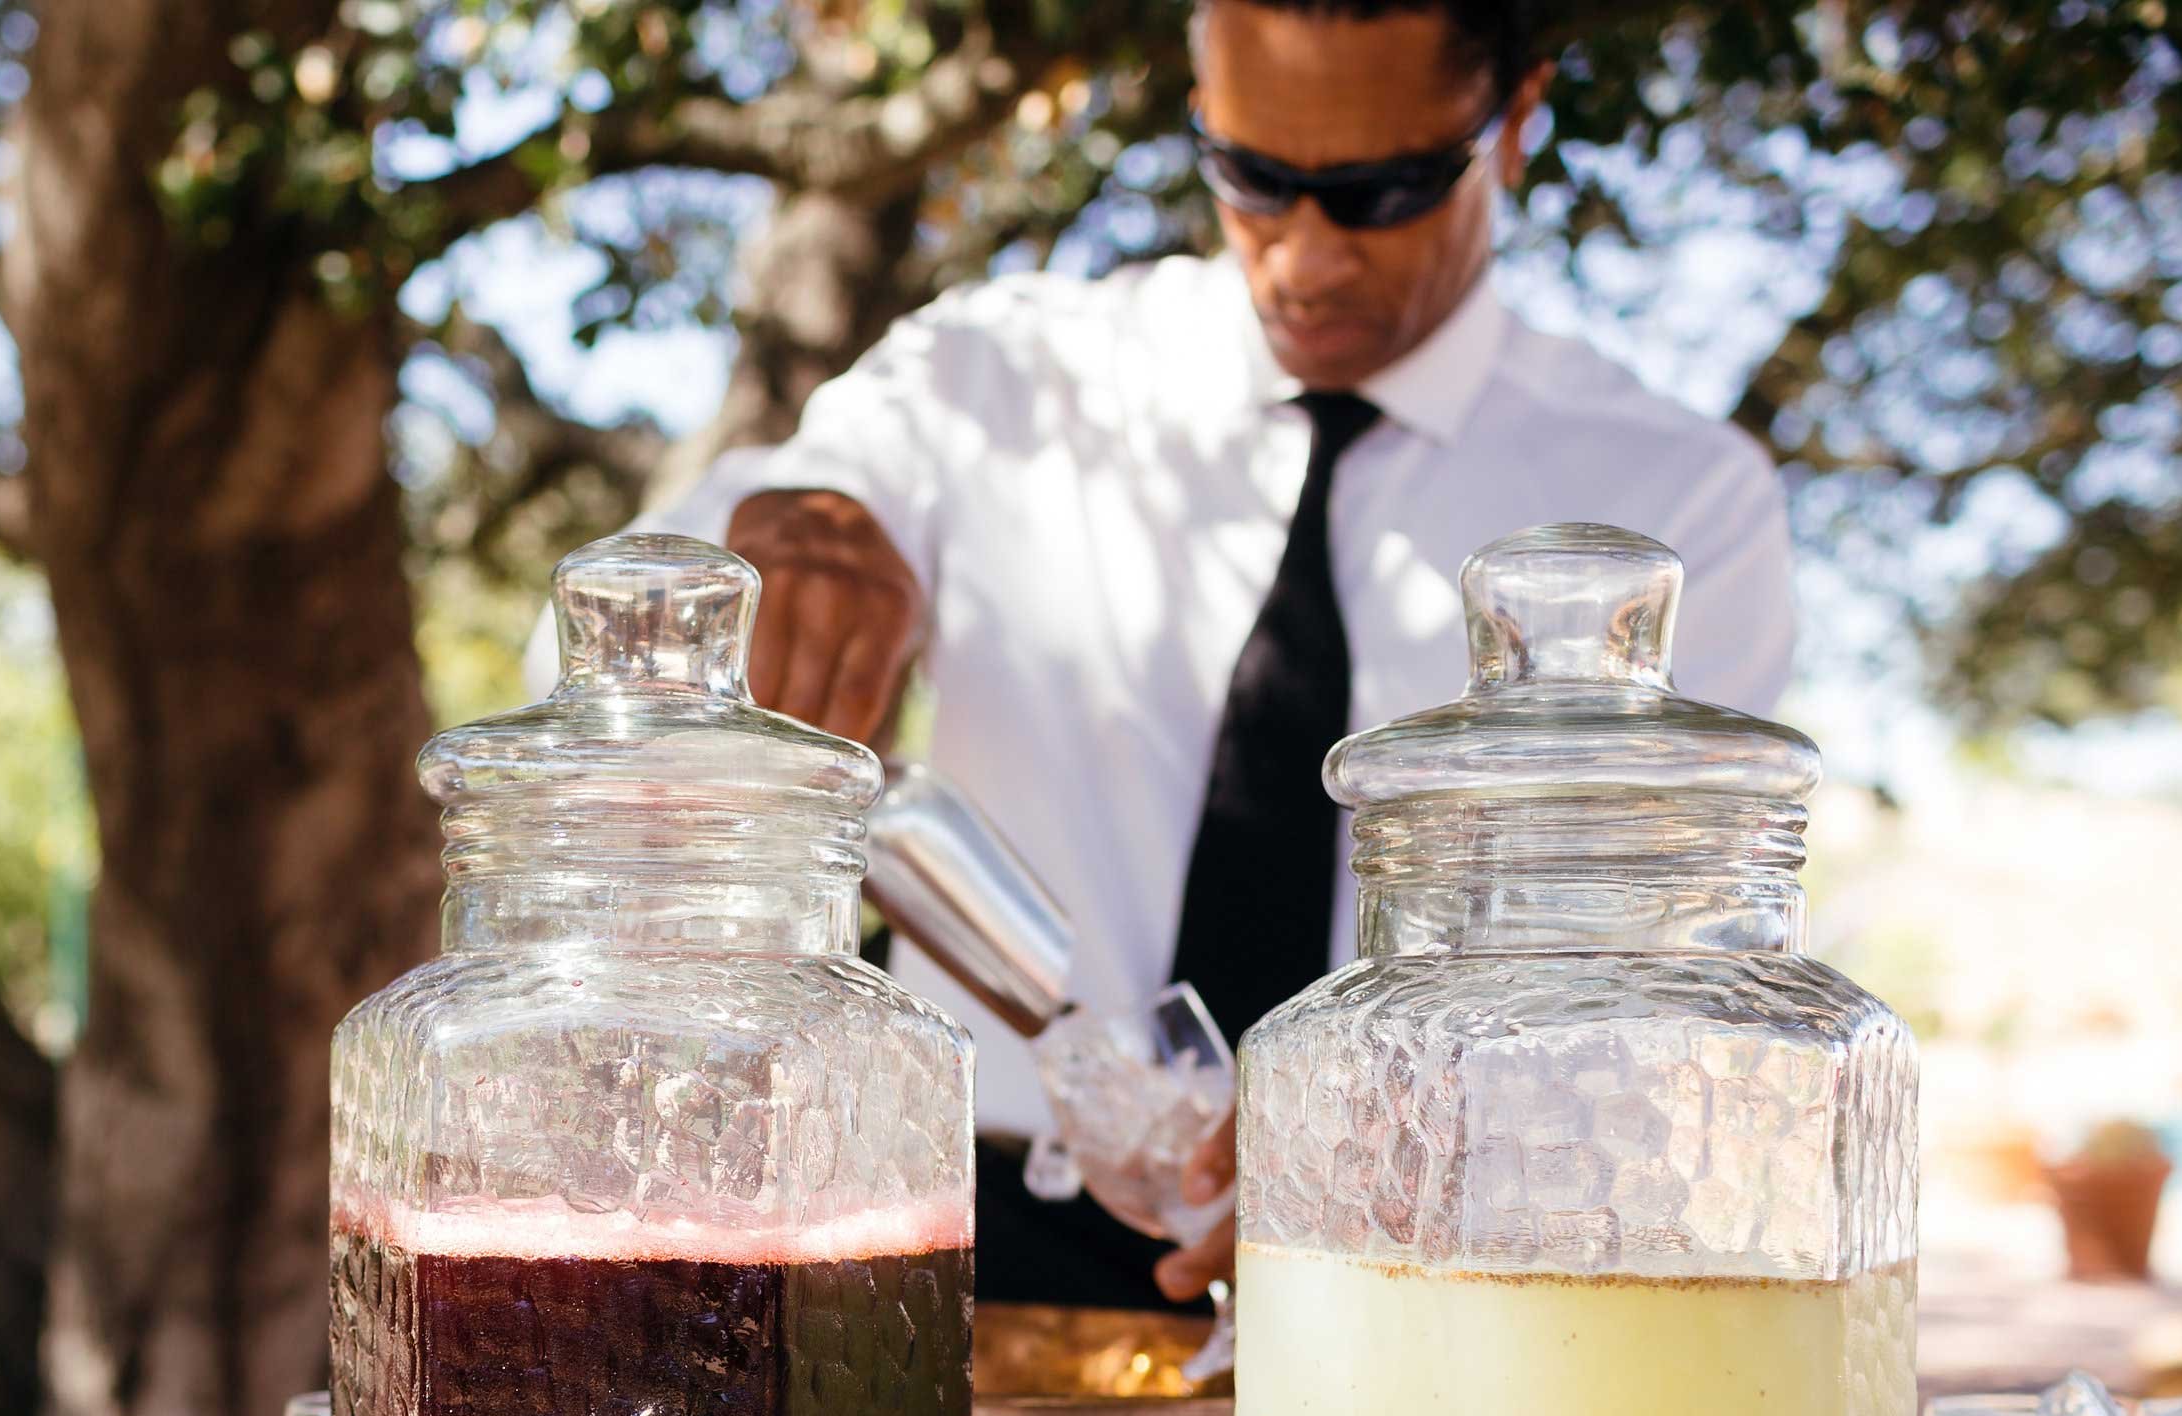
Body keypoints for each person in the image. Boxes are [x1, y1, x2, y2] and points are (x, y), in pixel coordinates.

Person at [561, 0, 1795, 1312]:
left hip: (1430, 1267)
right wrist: (777, 542)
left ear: (1518, 122)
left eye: (1381, 192)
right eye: (1254, 179)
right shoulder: (998, 380)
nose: (1307, 260)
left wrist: (1407, 1149)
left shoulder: (1675, 500)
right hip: (967, 1243)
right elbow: (595, 637)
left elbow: (1664, 974)